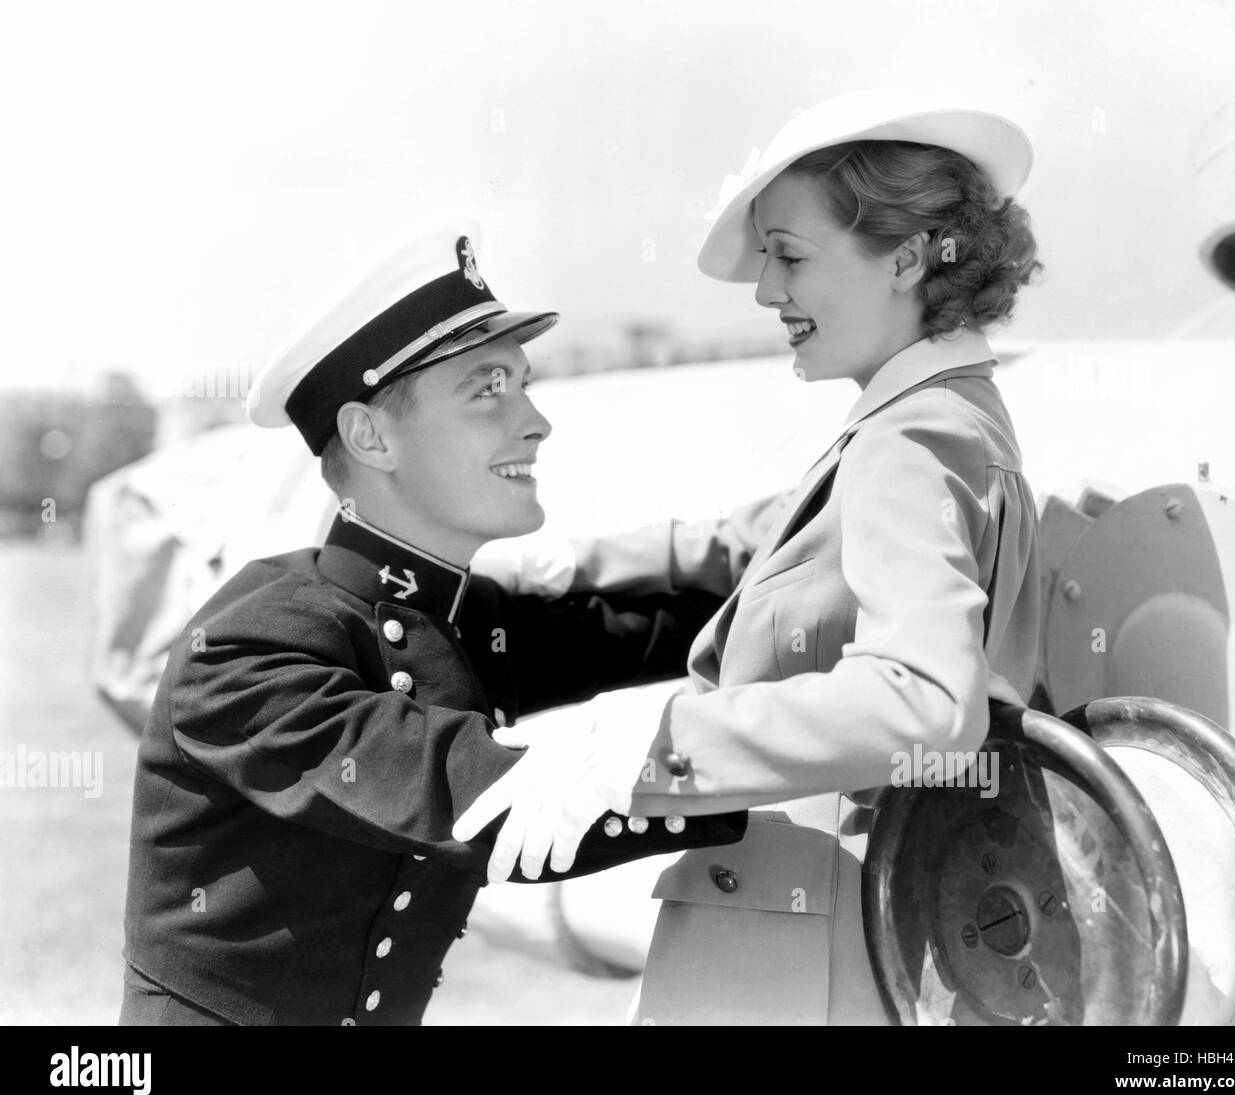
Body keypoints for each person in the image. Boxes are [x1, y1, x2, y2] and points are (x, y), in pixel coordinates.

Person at [454, 91, 1043, 1024]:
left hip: (802, 954)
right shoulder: (948, 418)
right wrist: (562, 565)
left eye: (790, 256)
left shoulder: (904, 443)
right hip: (879, 929)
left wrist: (652, 746)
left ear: (903, 257)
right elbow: (750, 539)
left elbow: (927, 703)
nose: (768, 291)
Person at [118, 227, 745, 1026]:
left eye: (524, 383)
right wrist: (770, 765)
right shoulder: (253, 645)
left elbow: (667, 627)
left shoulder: (457, 617)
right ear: (370, 436)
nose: (536, 422)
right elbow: (483, 798)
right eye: (489, 389)